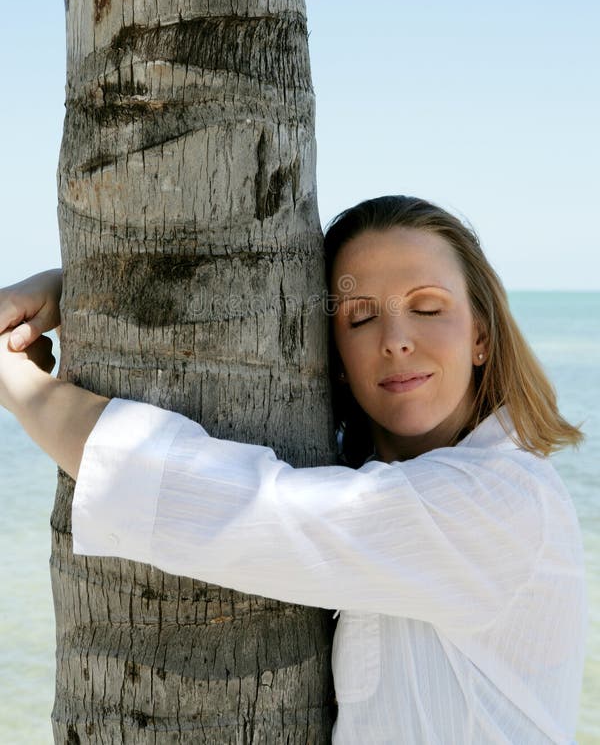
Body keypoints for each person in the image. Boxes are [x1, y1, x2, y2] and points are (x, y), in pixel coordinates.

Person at [0, 195, 587, 744]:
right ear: (333, 360)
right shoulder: (370, 475)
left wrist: (22, 387)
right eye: (359, 319)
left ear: (481, 335)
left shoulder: (504, 501)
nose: (396, 340)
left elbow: (249, 509)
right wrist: (72, 292)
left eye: (428, 307)